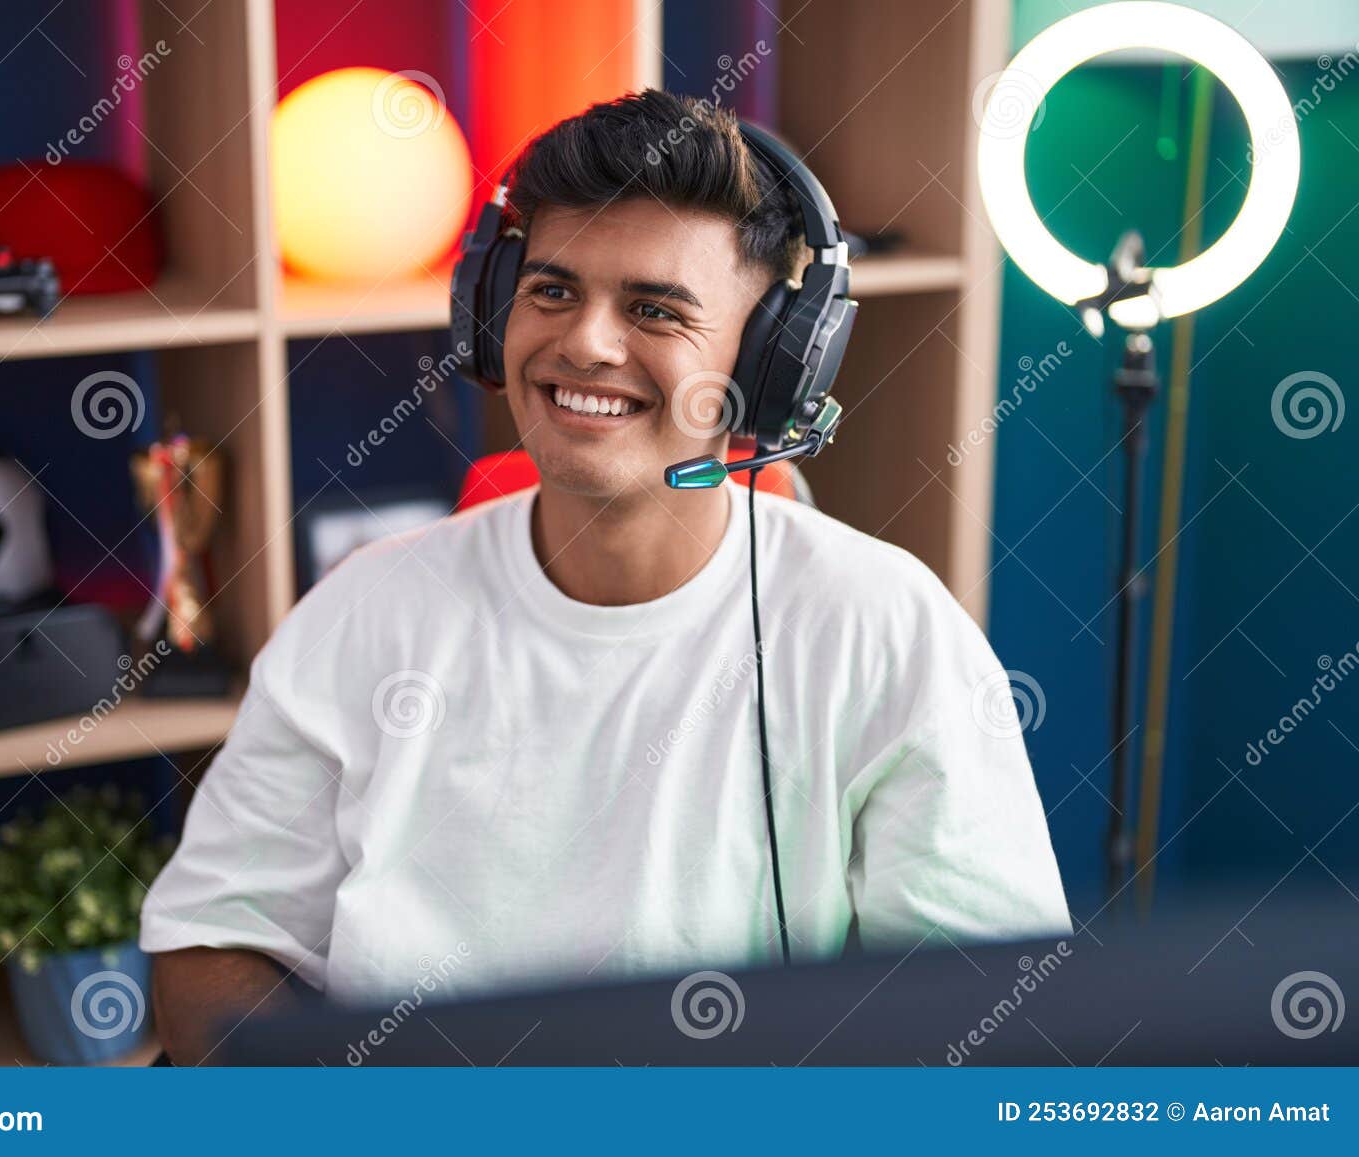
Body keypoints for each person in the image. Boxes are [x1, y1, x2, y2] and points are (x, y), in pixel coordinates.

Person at [140, 89, 1071, 1065]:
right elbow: (214, 937)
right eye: (550, 291)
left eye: (654, 308)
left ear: (771, 360)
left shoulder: (884, 627)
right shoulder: (360, 612)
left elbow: (981, 1013)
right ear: (491, 310)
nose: (584, 341)